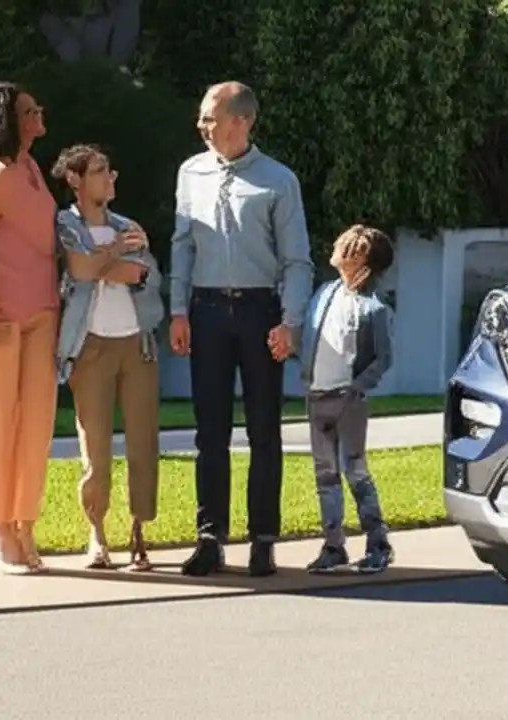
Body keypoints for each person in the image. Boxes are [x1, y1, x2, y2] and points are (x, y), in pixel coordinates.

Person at [168, 81, 314, 577]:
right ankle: (210, 538)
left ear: (242, 121)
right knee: (210, 432)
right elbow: (182, 245)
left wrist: (290, 322)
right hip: (205, 312)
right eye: (202, 118)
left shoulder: (278, 181)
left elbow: (297, 260)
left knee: (263, 430)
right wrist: (178, 310)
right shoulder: (191, 172)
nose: (202, 126)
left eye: (211, 117)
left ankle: (263, 540)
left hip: (259, 313)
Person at [52, 144, 162, 571]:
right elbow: (79, 270)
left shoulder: (128, 224)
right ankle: (97, 536)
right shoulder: (66, 223)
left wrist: (108, 263)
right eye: (100, 171)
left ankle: (139, 532)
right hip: (91, 347)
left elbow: (146, 277)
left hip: (137, 343)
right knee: (94, 448)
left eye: (110, 170)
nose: (110, 177)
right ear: (76, 180)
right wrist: (117, 254)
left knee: (143, 443)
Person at [300, 224, 395, 574]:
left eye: (348, 246)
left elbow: (383, 357)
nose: (337, 247)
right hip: (317, 395)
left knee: (355, 471)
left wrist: (358, 387)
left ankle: (378, 543)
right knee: (325, 474)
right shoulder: (325, 293)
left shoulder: (373, 308)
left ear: (360, 259)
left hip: (347, 399)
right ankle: (333, 545)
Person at [0, 82, 60, 574]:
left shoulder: (34, 169)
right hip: (1, 317)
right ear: (8, 119)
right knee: (0, 425)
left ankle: (25, 520)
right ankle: (0, 528)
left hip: (44, 311)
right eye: (29, 111)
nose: (39, 117)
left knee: (37, 424)